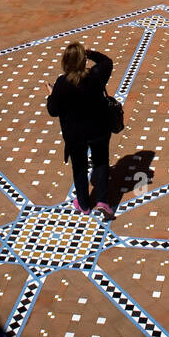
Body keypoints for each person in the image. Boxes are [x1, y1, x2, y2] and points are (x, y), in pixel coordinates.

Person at [45, 42, 115, 217]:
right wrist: (90, 53)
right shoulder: (96, 75)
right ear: (83, 60)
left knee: (79, 167)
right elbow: (107, 61)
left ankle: (84, 204)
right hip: (99, 129)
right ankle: (102, 200)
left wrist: (50, 95)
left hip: (75, 135)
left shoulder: (62, 83)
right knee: (101, 162)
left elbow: (53, 111)